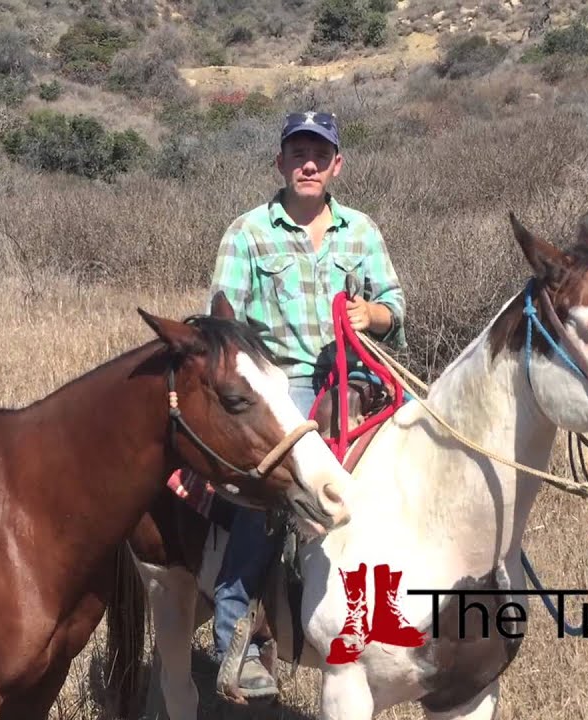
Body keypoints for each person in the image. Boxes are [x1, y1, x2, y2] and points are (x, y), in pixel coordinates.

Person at [204, 110, 408, 697]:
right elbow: (225, 324)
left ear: (337, 163)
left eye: (320, 154)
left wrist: (372, 316)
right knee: (270, 494)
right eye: (298, 153)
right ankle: (236, 637)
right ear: (281, 162)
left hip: (360, 378)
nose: (309, 164)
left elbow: (394, 305)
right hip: (282, 384)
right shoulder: (247, 232)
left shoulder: (362, 232)